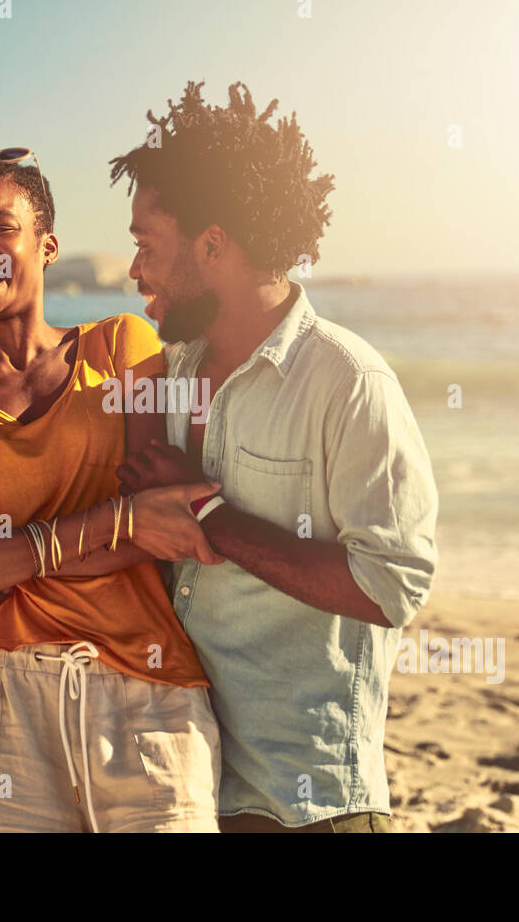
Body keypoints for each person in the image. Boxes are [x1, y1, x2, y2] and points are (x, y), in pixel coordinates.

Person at [110, 82, 440, 832]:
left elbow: (392, 583)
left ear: (213, 244)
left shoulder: (346, 380)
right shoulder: (169, 375)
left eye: (146, 244)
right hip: (186, 785)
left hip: (307, 801)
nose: (136, 271)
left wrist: (210, 513)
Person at [0, 152, 223, 832]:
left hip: (148, 696)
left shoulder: (124, 346)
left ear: (46, 245)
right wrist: (116, 520)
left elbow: (159, 526)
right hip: (0, 706)